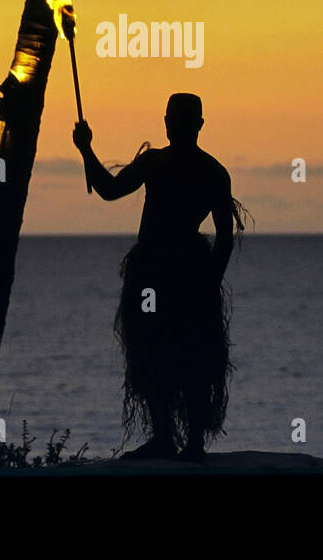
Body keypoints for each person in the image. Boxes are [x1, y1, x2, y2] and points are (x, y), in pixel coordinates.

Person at [72, 93, 241, 462]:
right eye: (173, 119)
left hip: (187, 275)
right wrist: (86, 150)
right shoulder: (156, 163)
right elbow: (111, 190)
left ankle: (193, 442)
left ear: (199, 124)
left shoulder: (213, 172)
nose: (177, 126)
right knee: (150, 354)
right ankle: (164, 436)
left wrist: (210, 285)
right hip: (152, 273)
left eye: (184, 120)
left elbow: (226, 236)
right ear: (165, 122)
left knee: (194, 357)